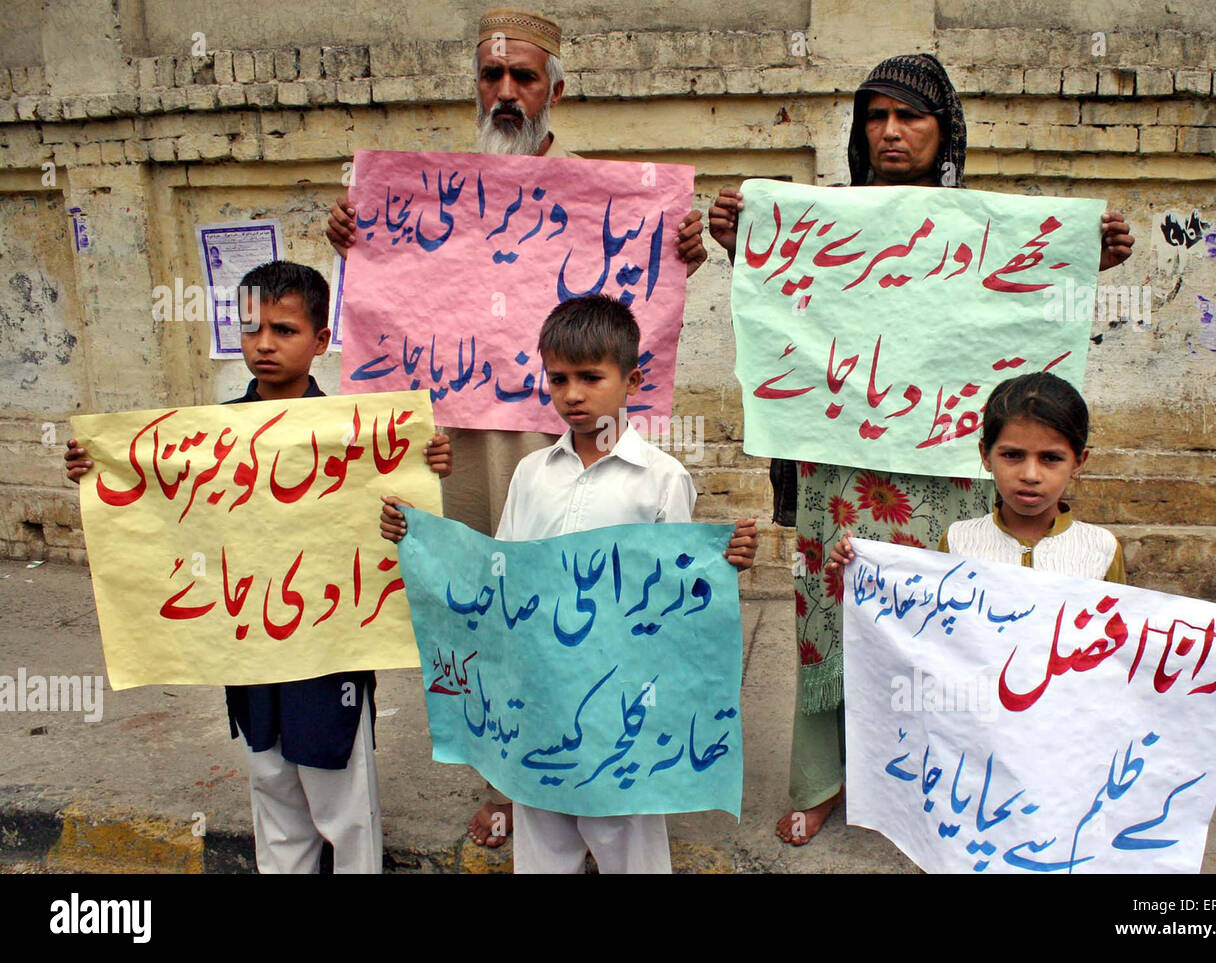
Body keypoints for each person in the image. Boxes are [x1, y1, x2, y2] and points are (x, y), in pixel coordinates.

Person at [707, 52, 1137, 846]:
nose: (891, 132)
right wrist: (748, 243)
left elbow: (1028, 313)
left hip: (947, 467)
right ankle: (823, 779)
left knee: (952, 626)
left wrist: (1082, 258)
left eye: (910, 116)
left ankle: (947, 781)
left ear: (947, 131)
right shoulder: (820, 221)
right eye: (876, 116)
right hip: (843, 459)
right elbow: (782, 310)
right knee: (832, 610)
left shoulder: (986, 228)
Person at [327, 8, 708, 848]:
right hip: (459, 436)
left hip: (555, 441)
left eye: (523, 77)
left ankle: (602, 757)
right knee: (488, 605)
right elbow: (379, 305)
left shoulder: (601, 193)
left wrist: (683, 246)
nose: (506, 92)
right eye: (492, 77)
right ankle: (505, 775)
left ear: (554, 89)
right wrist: (351, 243)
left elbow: (639, 303)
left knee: (571, 606)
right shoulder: (421, 191)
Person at [65, 261, 453, 873]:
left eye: (284, 329)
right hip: (249, 645)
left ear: (321, 341)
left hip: (331, 648)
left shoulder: (358, 435)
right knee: (271, 786)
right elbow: (153, 496)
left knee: (344, 804)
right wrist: (100, 468)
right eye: (251, 330)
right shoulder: (208, 438)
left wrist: (424, 461)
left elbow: (406, 517)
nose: (264, 344)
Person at [380, 293, 757, 872]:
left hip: (623, 707)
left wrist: (722, 563)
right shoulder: (531, 474)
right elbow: (497, 573)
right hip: (539, 698)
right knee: (542, 838)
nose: (573, 395)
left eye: (590, 377)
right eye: (558, 379)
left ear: (632, 381)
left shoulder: (661, 480)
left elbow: (678, 597)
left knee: (626, 838)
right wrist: (418, 535)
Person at [825, 370, 1216, 642]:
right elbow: (925, 629)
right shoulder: (959, 539)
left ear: (1079, 462)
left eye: (1051, 458)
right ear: (985, 455)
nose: (1031, 474)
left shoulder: (1100, 549)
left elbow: (1129, 640)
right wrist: (856, 572)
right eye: (1012, 455)